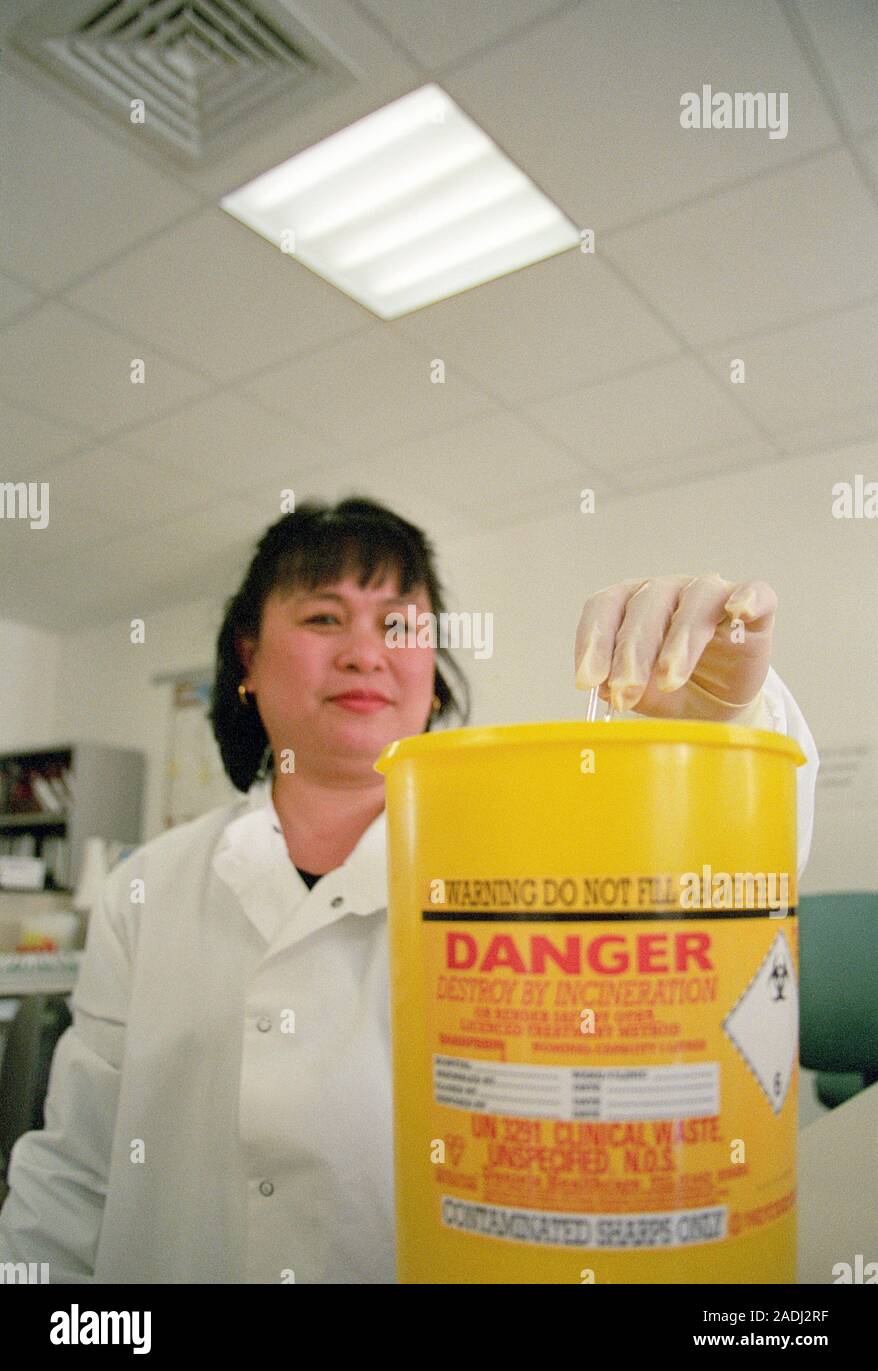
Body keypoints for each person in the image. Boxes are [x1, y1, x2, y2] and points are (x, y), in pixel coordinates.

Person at [0, 496, 818, 1283]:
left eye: (400, 624)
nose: (367, 652)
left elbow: (720, 897)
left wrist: (725, 727)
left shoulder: (521, 857)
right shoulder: (149, 887)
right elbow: (73, 1173)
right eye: (324, 618)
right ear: (247, 657)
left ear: (432, 668)